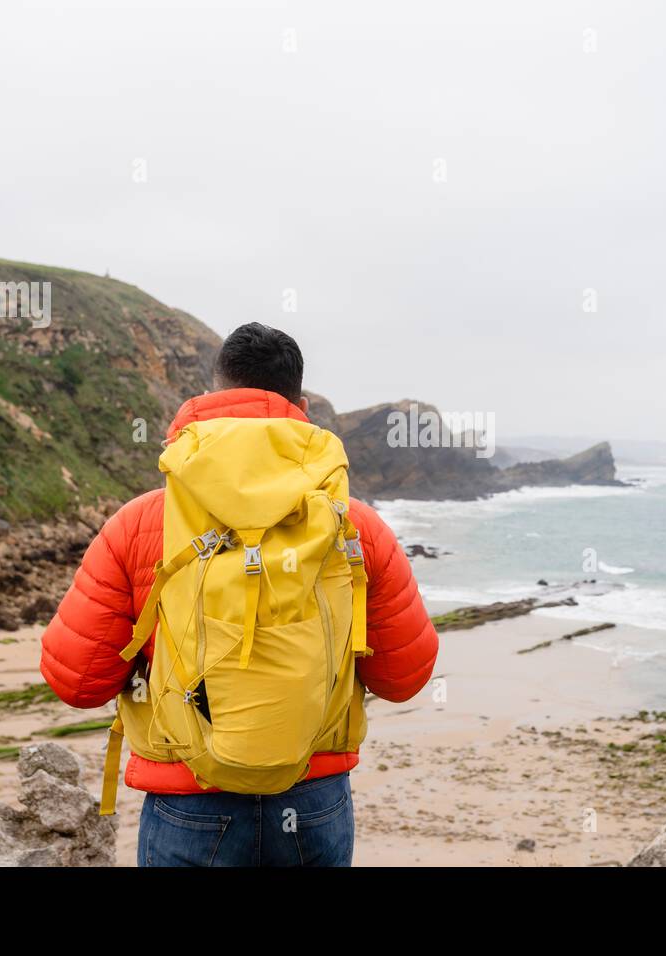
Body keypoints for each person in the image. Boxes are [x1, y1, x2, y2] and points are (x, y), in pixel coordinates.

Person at [40, 322, 438, 866]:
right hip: (312, 796)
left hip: (190, 799)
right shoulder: (355, 527)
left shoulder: (139, 523)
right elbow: (404, 677)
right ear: (298, 406)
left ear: (209, 398)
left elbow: (77, 680)